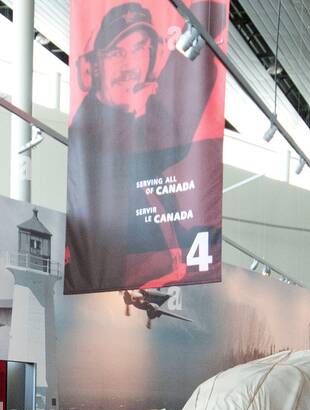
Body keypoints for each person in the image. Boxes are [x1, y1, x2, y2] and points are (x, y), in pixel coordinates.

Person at [64, 1, 223, 294]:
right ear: (93, 66)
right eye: (116, 53)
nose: (131, 66)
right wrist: (203, 19)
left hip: (147, 280)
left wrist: (193, 237)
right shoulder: (96, 132)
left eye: (140, 49)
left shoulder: (124, 125)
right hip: (118, 279)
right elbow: (166, 132)